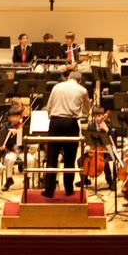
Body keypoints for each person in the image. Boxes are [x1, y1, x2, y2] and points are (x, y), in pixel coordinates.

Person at [41, 67, 90, 198]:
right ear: (79, 81)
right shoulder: (82, 90)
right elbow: (86, 110)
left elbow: (49, 106)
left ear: (68, 77)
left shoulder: (57, 86)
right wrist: (80, 114)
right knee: (70, 157)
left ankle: (49, 190)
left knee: (52, 157)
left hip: (55, 122)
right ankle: (69, 189)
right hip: (71, 123)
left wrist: (53, 117)